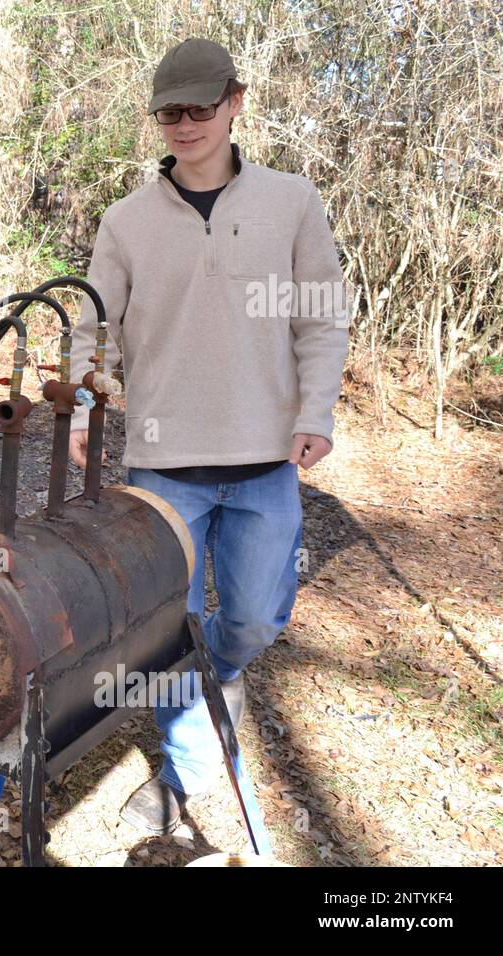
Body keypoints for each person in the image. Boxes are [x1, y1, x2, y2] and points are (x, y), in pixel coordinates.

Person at [66, 37, 349, 834]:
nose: (184, 124)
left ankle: (217, 670)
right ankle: (185, 772)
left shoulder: (292, 201)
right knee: (166, 631)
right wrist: (90, 404)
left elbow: (322, 319)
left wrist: (313, 414)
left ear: (235, 102)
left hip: (266, 459)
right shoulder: (126, 222)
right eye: (169, 111)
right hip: (164, 465)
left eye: (199, 106)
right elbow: (88, 330)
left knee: (255, 618)